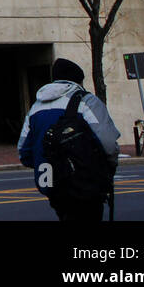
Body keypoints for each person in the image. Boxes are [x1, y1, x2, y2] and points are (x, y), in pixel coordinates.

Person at [18, 57, 121, 221]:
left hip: (51, 183)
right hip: (84, 181)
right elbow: (108, 143)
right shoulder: (86, 101)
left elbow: (24, 152)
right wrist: (110, 166)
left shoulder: (36, 107)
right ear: (79, 80)